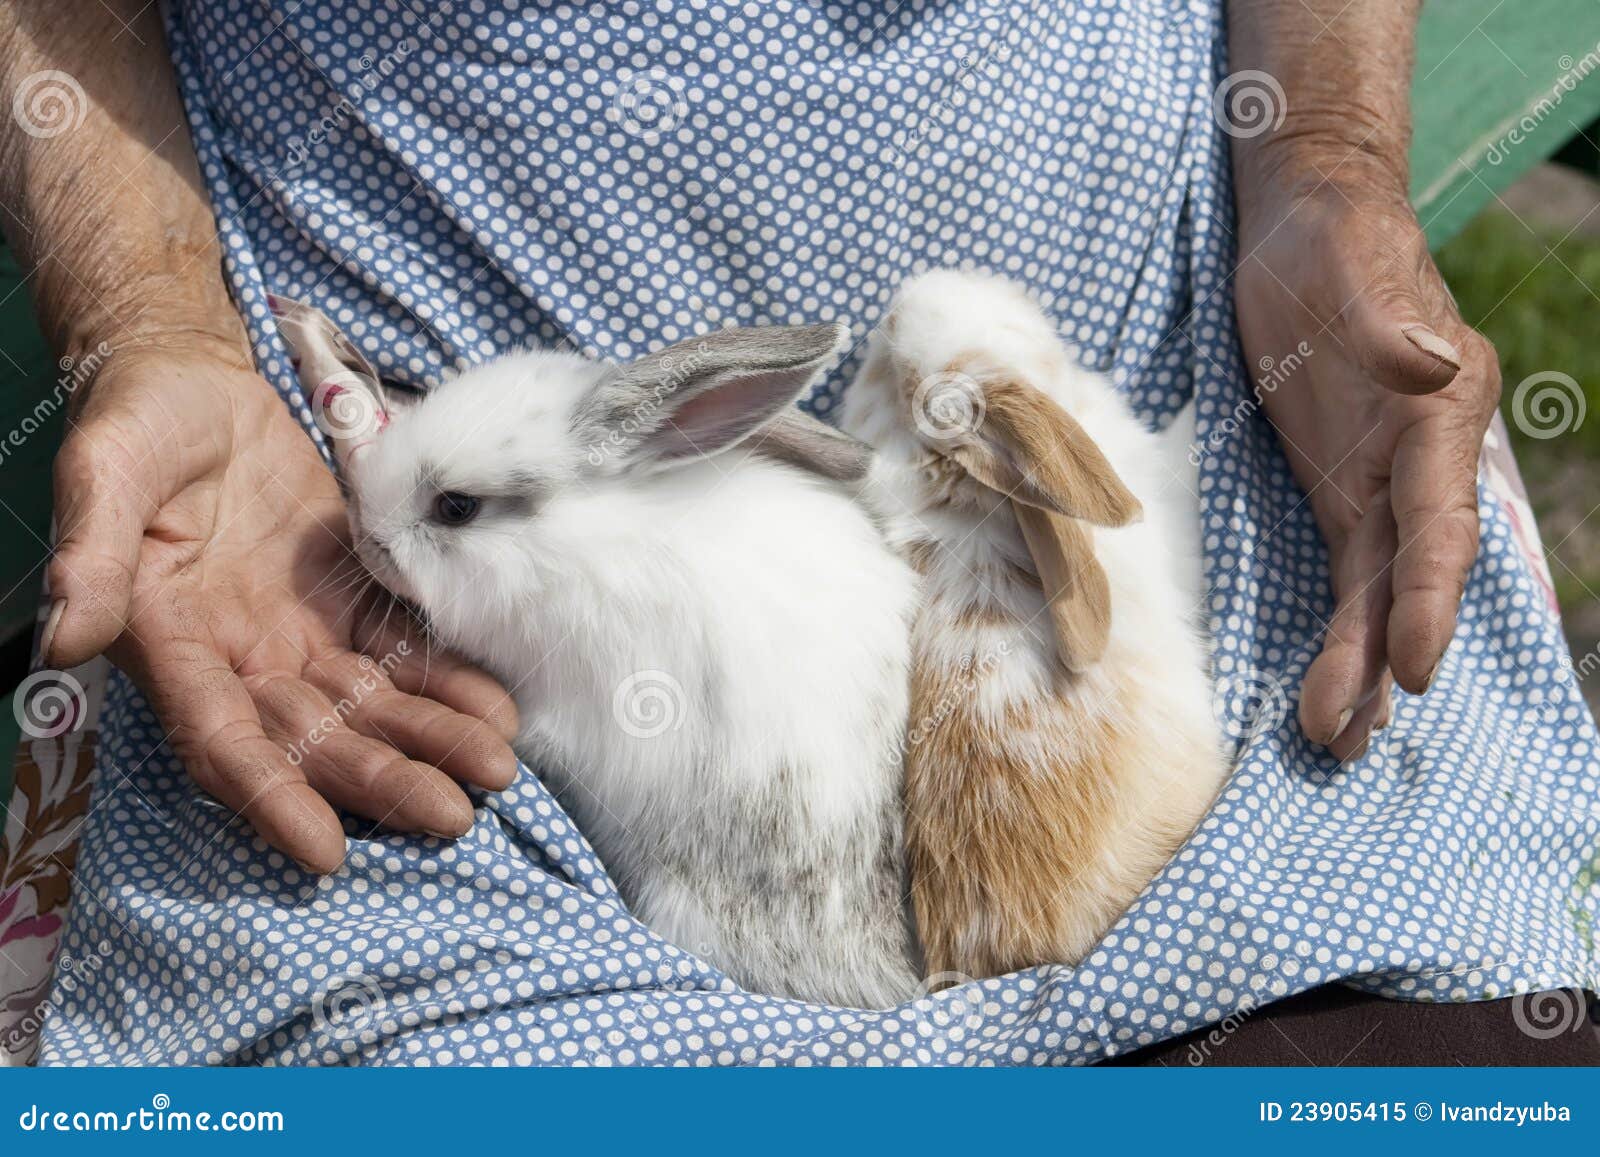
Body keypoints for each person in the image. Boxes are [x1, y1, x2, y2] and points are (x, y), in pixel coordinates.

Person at [1, 0, 1591, 1065]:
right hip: (388, 675)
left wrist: (1323, 165)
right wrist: (153, 319)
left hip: (1181, 419)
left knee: (1455, 1067)